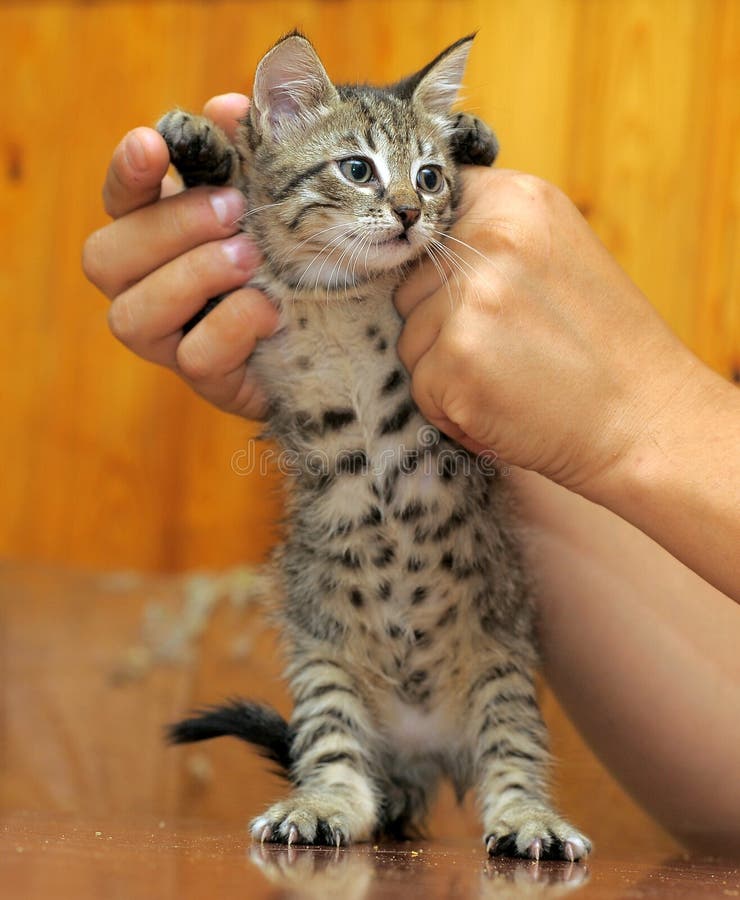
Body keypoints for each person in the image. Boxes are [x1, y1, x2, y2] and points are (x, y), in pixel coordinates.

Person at [82, 93, 740, 854]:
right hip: (355, 581)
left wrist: (629, 411)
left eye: (425, 180)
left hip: (457, 599)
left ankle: (517, 804)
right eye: (368, 173)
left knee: (495, 658)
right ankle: (337, 782)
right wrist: (225, 180)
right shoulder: (337, 281)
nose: (400, 205)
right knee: (323, 629)